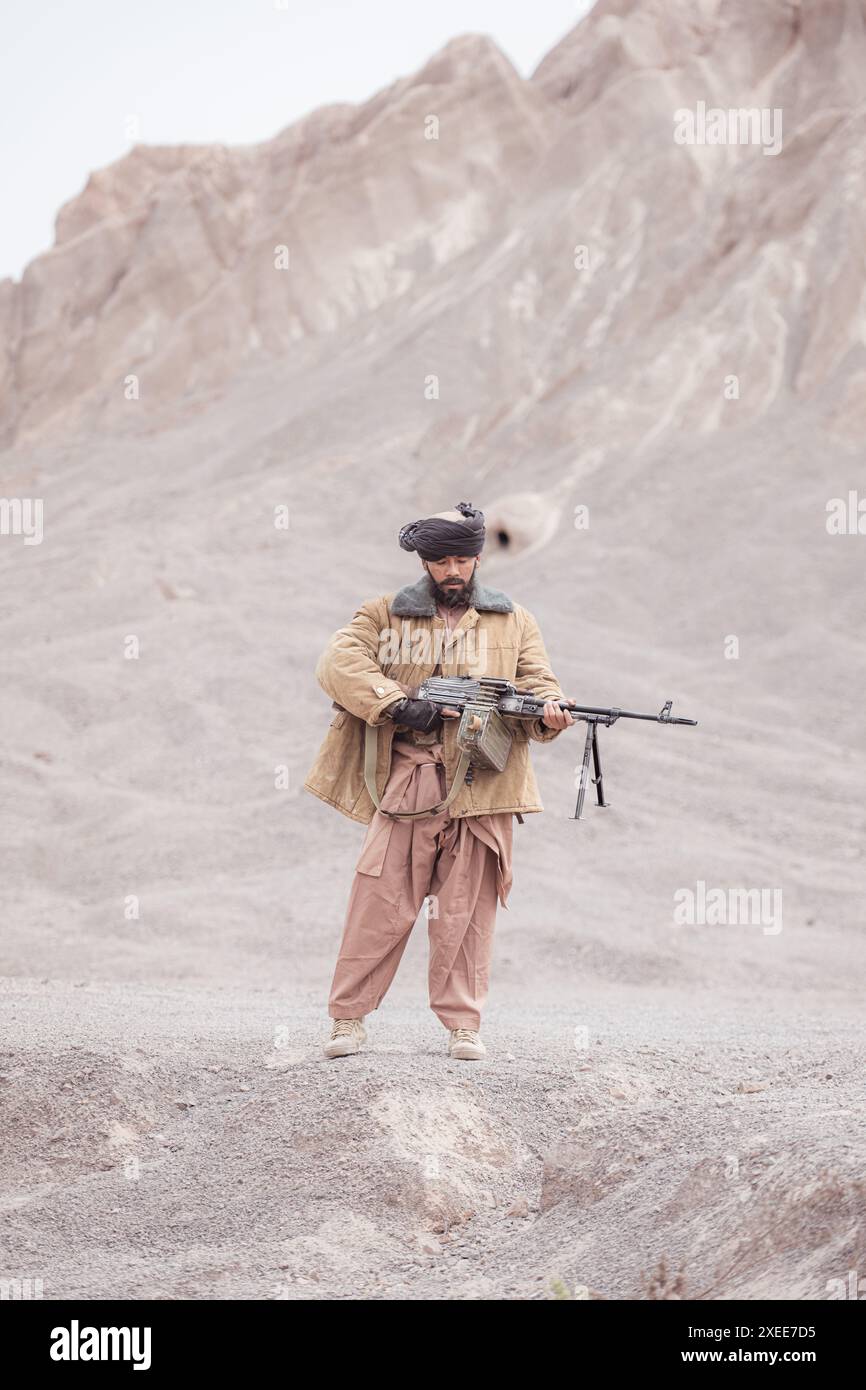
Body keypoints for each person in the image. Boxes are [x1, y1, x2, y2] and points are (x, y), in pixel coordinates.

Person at [303, 501, 574, 1061]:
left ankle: (463, 1026)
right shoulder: (384, 615)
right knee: (379, 902)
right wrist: (401, 705)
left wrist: (550, 712)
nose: (453, 571)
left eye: (462, 560)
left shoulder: (514, 620)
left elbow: (538, 683)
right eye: (441, 561)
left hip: (484, 787)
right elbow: (337, 663)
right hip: (411, 781)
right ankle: (347, 1020)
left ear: (477, 559)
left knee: (466, 914)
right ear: (424, 562)